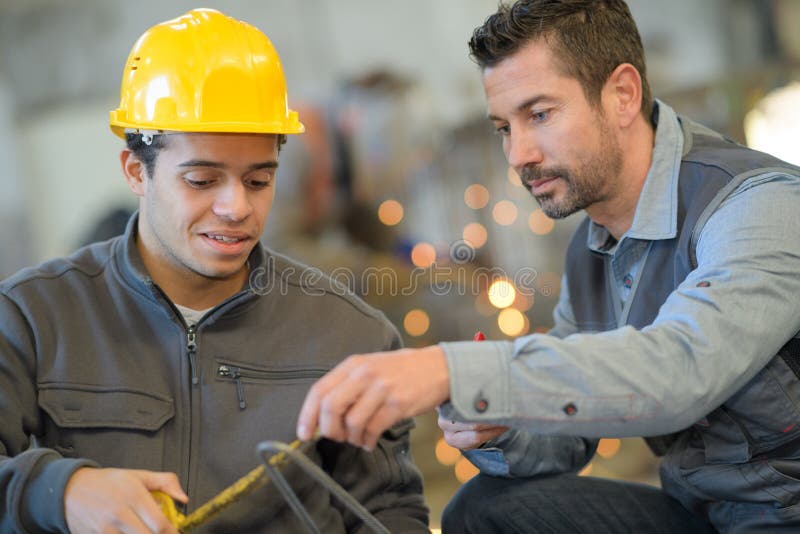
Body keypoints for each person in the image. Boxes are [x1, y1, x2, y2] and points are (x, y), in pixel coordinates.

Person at [296, 0, 800, 531]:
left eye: (539, 114)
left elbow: (682, 368)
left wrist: (450, 368)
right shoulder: (590, 250)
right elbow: (566, 443)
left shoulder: (760, 204)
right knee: (483, 508)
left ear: (623, 95)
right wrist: (495, 427)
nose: (518, 155)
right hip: (704, 516)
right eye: (504, 128)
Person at [0, 8, 429, 533]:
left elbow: (389, 514)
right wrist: (57, 490)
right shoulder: (32, 318)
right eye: (202, 180)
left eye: (257, 181)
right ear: (137, 171)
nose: (236, 208)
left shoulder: (349, 335)